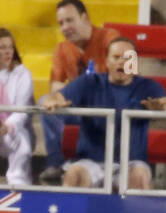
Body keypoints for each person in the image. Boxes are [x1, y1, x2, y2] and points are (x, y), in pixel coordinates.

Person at [39, 36, 166, 191]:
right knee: (74, 175)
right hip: (91, 162)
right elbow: (56, 97)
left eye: (127, 58)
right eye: (116, 57)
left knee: (140, 177)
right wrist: (52, 100)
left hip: (131, 163)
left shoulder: (147, 86)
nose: (121, 62)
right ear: (107, 61)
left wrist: (160, 107)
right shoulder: (88, 82)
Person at [38, 0, 120, 185]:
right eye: (61, 23)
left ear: (85, 18)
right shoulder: (62, 48)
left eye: (70, 20)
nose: (65, 27)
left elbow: (124, 79)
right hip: (77, 107)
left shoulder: (110, 38)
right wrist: (64, 97)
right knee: (45, 102)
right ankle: (56, 164)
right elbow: (56, 86)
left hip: (107, 106)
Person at [0, 27, 34, 188]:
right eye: (1, 47)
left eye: (10, 47)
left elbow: (22, 109)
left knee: (21, 140)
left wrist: (6, 126)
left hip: (10, 130)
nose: (8, 52)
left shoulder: (22, 73)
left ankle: (18, 180)